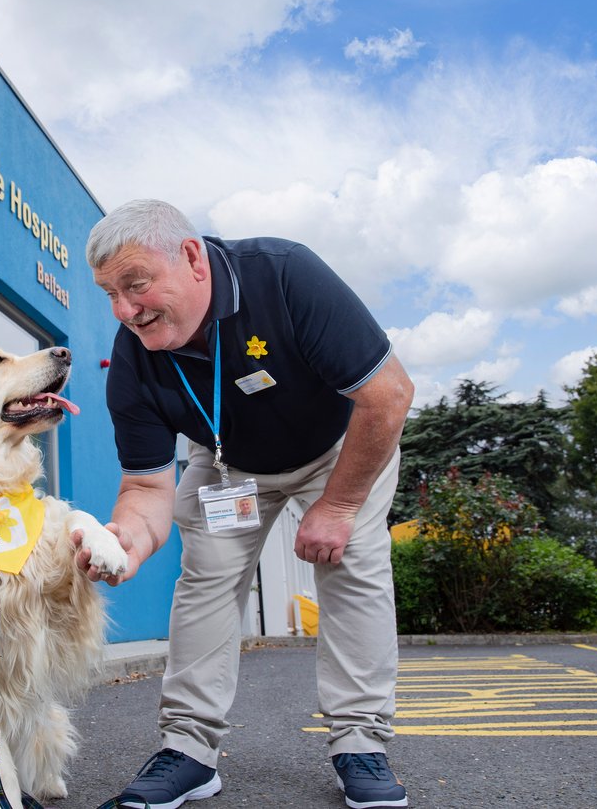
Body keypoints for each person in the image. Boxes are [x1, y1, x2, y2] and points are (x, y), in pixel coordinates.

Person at [74, 199, 414, 809]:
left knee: (353, 564)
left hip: (342, 445)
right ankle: (189, 749)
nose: (124, 311)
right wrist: (125, 539)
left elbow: (388, 396)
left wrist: (336, 509)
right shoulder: (134, 360)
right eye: (110, 294)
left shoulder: (285, 275)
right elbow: (147, 489)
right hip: (229, 462)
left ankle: (359, 739)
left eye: (137, 284)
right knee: (205, 579)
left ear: (192, 258)